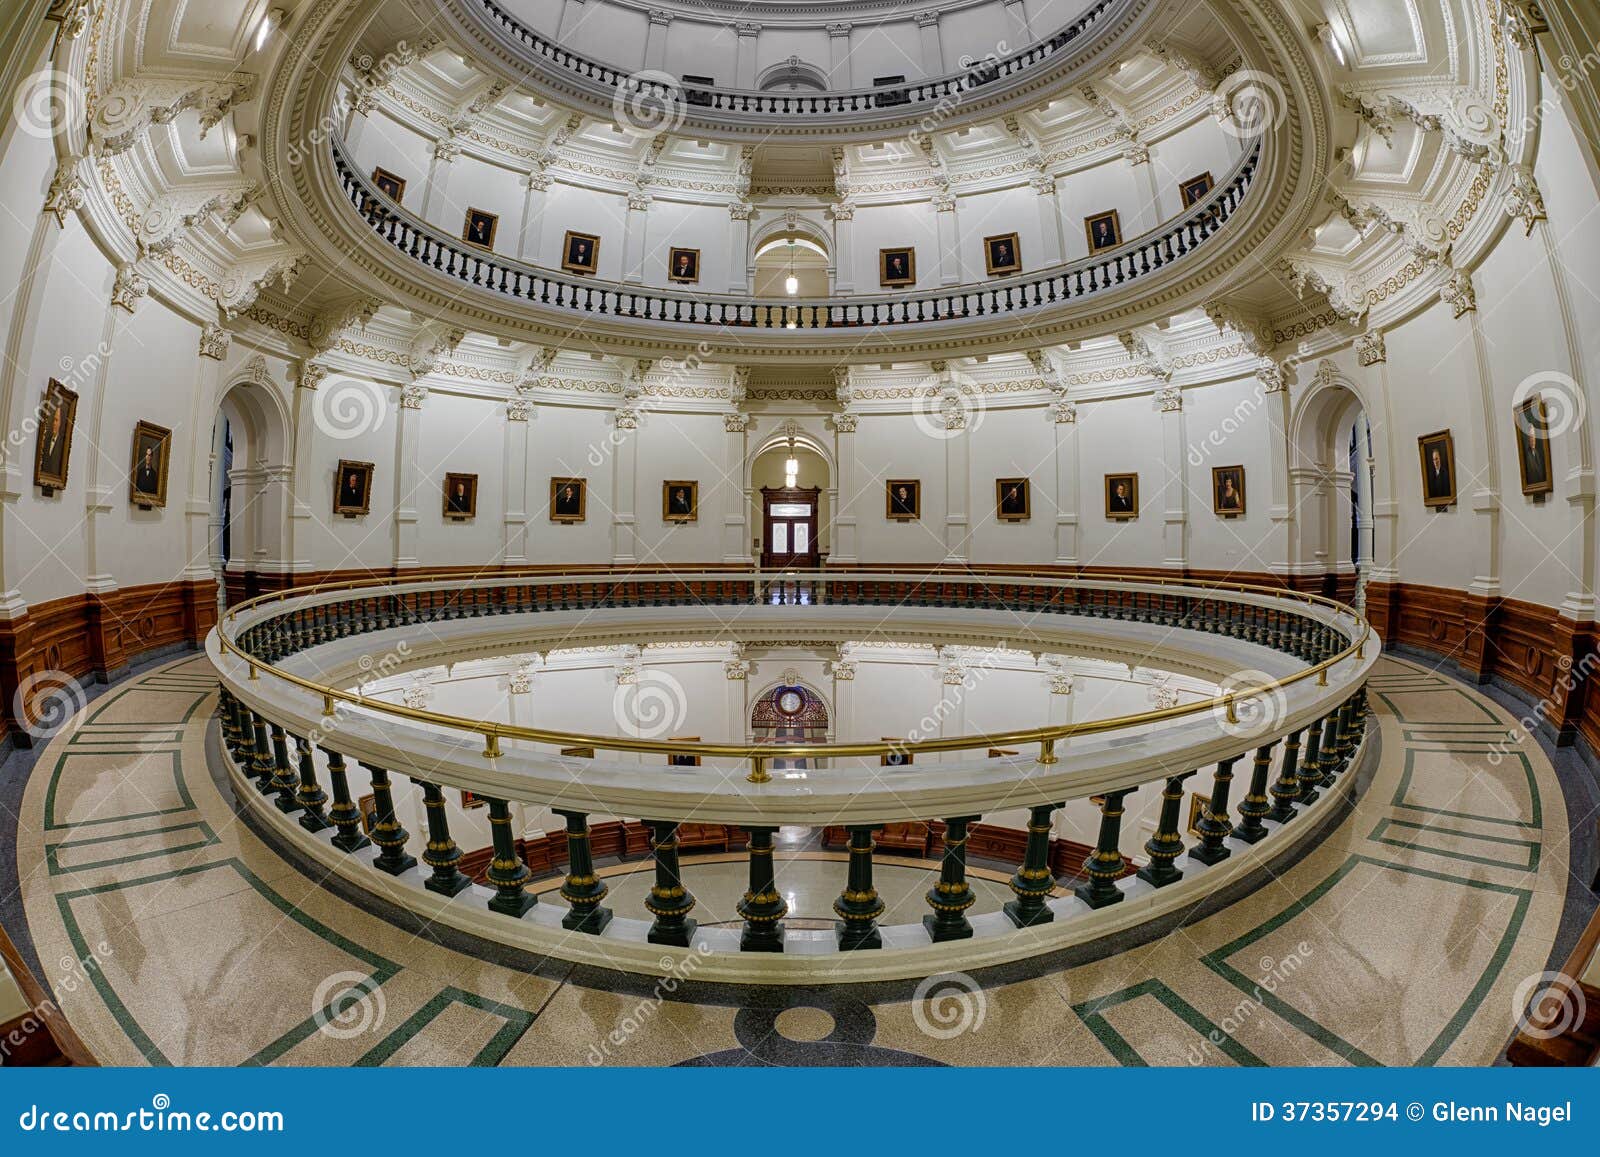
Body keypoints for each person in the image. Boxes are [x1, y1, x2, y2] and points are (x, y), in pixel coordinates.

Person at [37, 404, 67, 480]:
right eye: (54, 419)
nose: (54, 423)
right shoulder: (46, 440)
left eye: (56, 420)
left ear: (61, 423)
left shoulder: (63, 445)